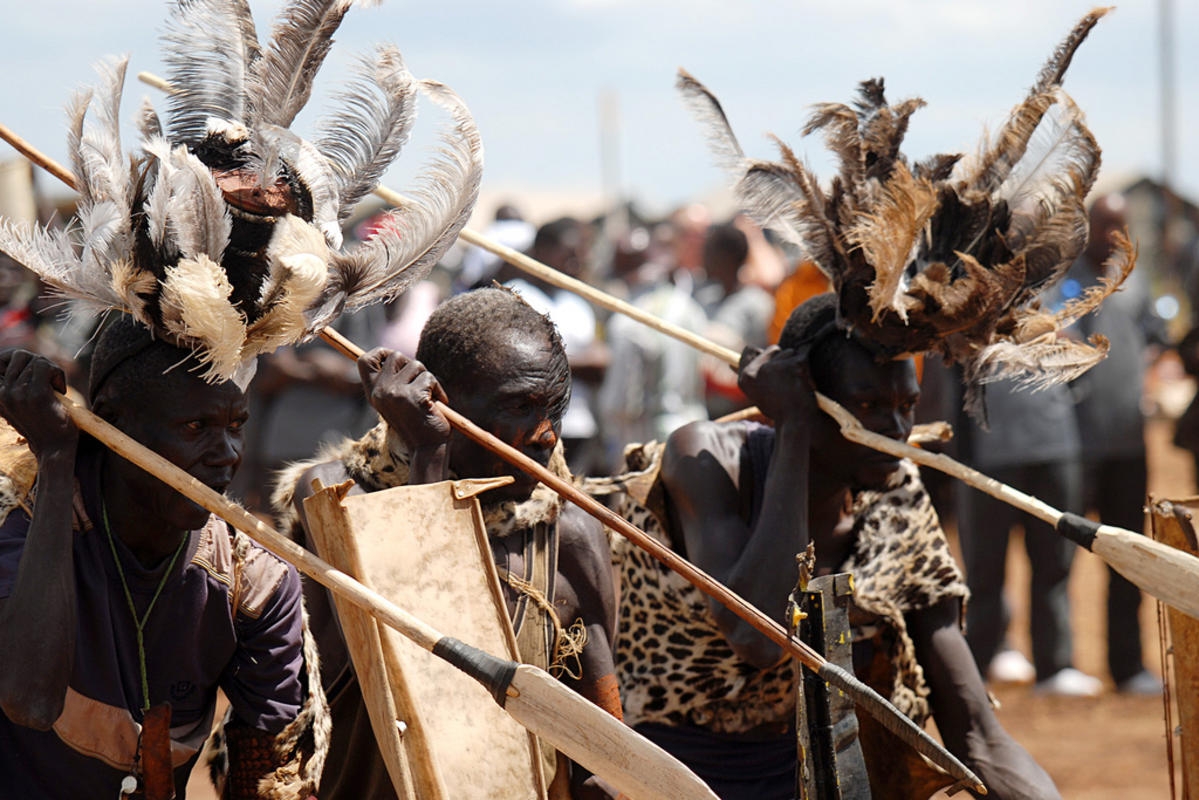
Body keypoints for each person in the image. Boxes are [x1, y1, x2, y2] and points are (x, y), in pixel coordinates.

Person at [606, 294, 1059, 800]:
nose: (896, 430)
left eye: (906, 405)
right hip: (689, 779)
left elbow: (975, 734)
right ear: (801, 398)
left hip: (836, 777)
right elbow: (756, 636)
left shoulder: (895, 496)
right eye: (867, 407)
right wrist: (794, 427)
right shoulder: (708, 460)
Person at [277, 287, 621, 799]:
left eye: (554, 408)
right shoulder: (338, 501)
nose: (546, 435)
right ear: (439, 401)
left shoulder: (566, 532)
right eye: (521, 407)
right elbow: (420, 660)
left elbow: (602, 752)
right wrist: (430, 453)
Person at [0, 316, 324, 798]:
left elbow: (268, 777)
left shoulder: (255, 581)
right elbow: (30, 703)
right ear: (114, 422)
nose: (227, 455)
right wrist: (55, 459)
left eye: (237, 425)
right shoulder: (20, 521)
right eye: (195, 426)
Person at [1067, 194, 1164, 694]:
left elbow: (1156, 340)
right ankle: (1057, 664)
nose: (1112, 236)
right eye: (1104, 225)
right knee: (1059, 559)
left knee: (1130, 557)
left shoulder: (1135, 279)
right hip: (1073, 446)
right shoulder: (1060, 282)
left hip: (1129, 446)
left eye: (1120, 226)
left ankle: (1127, 666)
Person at [956, 376, 1098, 694]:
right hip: (985, 455)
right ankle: (977, 664)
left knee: (1055, 565)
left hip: (1056, 447)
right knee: (984, 568)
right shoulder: (965, 327)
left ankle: (1056, 665)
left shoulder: (1065, 324)